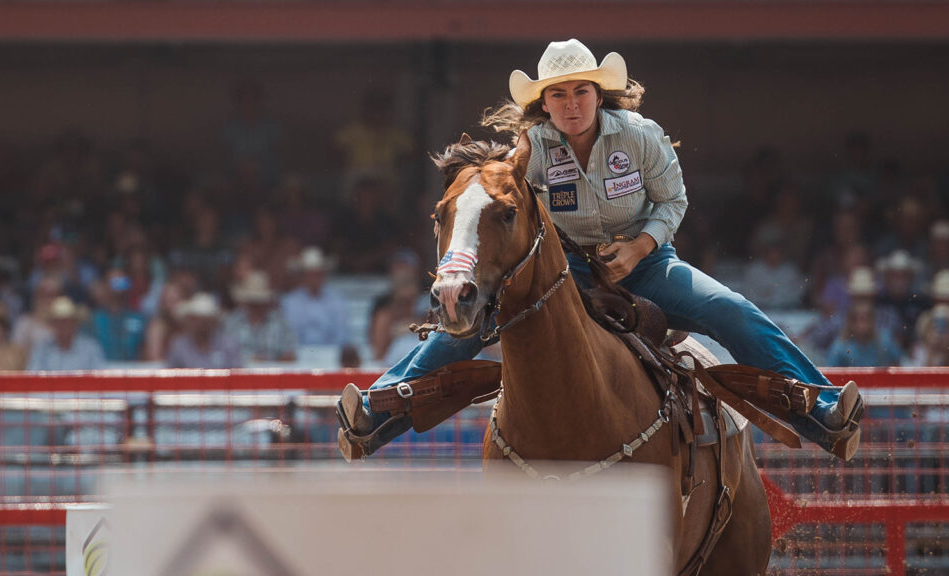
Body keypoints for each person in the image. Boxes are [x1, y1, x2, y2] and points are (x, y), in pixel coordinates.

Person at [338, 39, 863, 461]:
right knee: (469, 328)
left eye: (580, 92)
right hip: (566, 274)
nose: (570, 104)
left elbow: (673, 202)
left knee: (727, 308)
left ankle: (817, 408)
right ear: (543, 103)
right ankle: (376, 413)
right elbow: (495, 200)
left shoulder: (640, 135)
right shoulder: (531, 151)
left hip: (648, 265)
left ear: (598, 94)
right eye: (559, 95)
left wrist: (638, 248)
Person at [223, 271, 297, 363]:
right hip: (240, 373)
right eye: (252, 302)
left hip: (271, 373)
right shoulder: (233, 322)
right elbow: (224, 354)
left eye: (259, 302)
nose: (256, 307)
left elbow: (291, 355)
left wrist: (269, 361)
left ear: (266, 302)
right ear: (245, 302)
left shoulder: (280, 322)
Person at [165, 292, 243, 369]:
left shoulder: (228, 344)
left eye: (205, 319)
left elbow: (237, 374)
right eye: (196, 319)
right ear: (189, 320)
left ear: (212, 321)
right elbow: (172, 375)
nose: (200, 323)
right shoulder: (179, 346)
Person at [27, 296, 105, 371]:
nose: (64, 326)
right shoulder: (42, 349)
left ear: (75, 323)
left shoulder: (90, 349)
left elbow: (98, 377)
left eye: (68, 321)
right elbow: (33, 376)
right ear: (53, 325)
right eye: (59, 322)